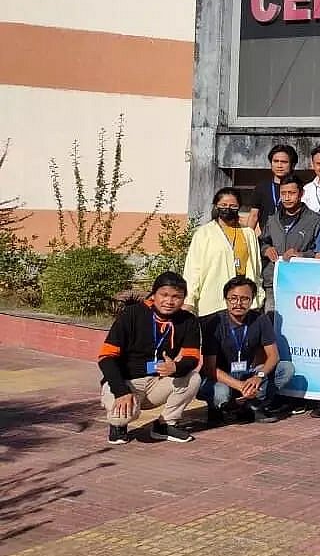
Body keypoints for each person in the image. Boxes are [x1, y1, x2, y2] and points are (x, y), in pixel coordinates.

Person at [99, 272, 202, 445]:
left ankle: (164, 424)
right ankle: (118, 426)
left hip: (158, 382)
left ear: (183, 299)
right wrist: (121, 390)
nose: (169, 301)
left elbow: (192, 358)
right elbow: (106, 357)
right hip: (128, 381)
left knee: (193, 378)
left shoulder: (188, 321)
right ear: (154, 295)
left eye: (176, 297)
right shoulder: (132, 314)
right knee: (122, 417)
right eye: (164, 295)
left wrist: (177, 368)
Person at [198, 276, 293, 425]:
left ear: (252, 299)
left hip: (249, 373)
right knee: (221, 393)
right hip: (222, 376)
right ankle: (217, 407)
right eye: (233, 298)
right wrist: (240, 386)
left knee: (286, 369)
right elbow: (210, 368)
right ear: (226, 299)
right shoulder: (214, 323)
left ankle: (252, 405)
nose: (238, 303)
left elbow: (273, 356)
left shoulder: (260, 319)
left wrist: (259, 376)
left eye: (244, 299)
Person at [182, 187, 263, 316]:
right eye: (223, 205)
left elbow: (256, 268)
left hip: (242, 301)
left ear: (239, 207)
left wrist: (258, 297)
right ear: (216, 206)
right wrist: (189, 299)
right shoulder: (204, 233)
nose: (228, 209)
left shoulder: (248, 233)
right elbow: (193, 269)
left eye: (233, 206)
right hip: (212, 299)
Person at [258, 175, 320, 312]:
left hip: (302, 283)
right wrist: (266, 249)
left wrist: (302, 255)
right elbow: (261, 242)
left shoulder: (316, 221)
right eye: (283, 193)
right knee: (271, 322)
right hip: (273, 282)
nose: (287, 197)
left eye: (292, 193)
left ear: (301, 194)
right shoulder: (272, 219)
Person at [246, 143, 298, 231]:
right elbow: (254, 215)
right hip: (266, 239)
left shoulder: (300, 188)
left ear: (292, 165)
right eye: (276, 161)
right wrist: (247, 239)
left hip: (291, 238)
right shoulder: (261, 187)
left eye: (284, 162)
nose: (279, 165)